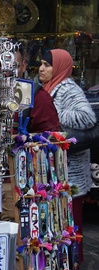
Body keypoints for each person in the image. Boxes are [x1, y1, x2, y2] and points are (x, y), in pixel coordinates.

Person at [37, 48, 97, 256]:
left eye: (47, 65)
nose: (41, 68)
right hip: (57, 172)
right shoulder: (47, 87)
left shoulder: (67, 88)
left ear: (60, 67)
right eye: (41, 64)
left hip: (71, 176)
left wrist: (54, 114)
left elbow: (87, 117)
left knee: (70, 225)